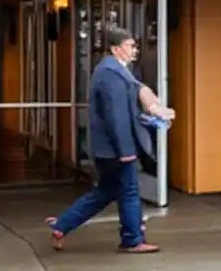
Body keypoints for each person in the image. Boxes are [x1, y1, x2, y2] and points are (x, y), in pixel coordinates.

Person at [46, 29, 159, 253]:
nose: (134, 49)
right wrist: (125, 149)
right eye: (129, 45)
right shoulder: (110, 73)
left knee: (105, 191)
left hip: (108, 149)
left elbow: (132, 91)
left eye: (134, 45)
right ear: (116, 49)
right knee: (129, 192)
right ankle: (132, 239)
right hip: (114, 149)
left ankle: (62, 225)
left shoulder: (116, 71)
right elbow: (116, 115)